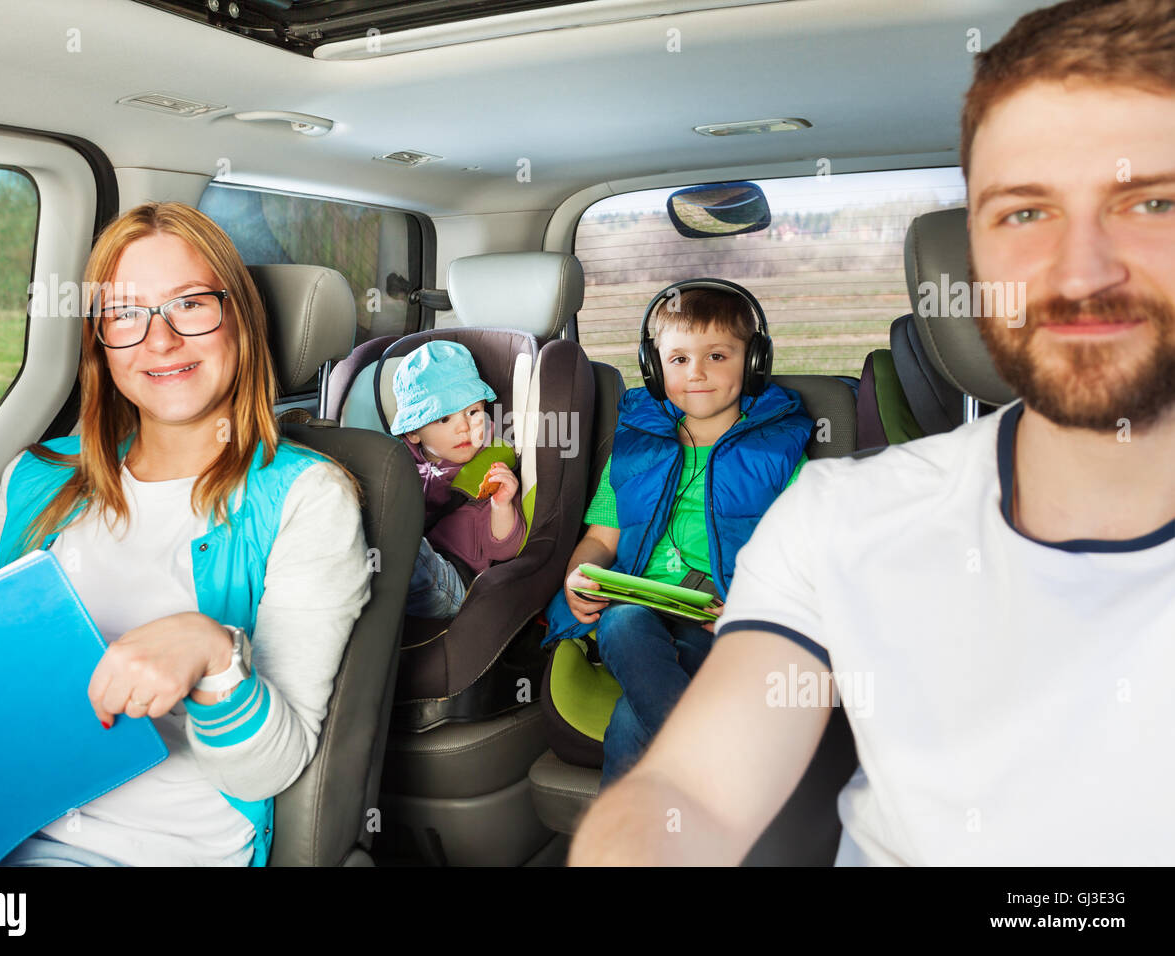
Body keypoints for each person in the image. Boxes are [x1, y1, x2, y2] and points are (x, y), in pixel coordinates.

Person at [570, 0, 1175, 865]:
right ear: (969, 262)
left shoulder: (783, 466)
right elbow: (695, 789)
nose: (1081, 271)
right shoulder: (842, 517)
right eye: (1025, 212)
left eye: (1150, 200)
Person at [0, 201, 371, 866]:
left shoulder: (308, 497)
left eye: (190, 304)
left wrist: (215, 656)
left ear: (238, 318)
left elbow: (267, 773)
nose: (160, 341)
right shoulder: (33, 479)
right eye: (127, 312)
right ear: (101, 340)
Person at [544, 284, 811, 786]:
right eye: (679, 358)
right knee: (622, 624)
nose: (698, 373)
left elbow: (798, 554)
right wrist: (580, 574)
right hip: (638, 607)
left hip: (717, 617)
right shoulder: (635, 451)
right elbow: (603, 538)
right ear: (654, 367)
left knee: (629, 720)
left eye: (717, 355)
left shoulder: (776, 453)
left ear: (753, 362)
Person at [389, 340, 525, 618]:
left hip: (455, 582)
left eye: (473, 412)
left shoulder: (490, 466)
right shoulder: (398, 467)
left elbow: (506, 548)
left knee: (398, 546)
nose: (464, 427)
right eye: (443, 419)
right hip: (394, 579)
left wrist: (502, 506)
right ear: (413, 432)